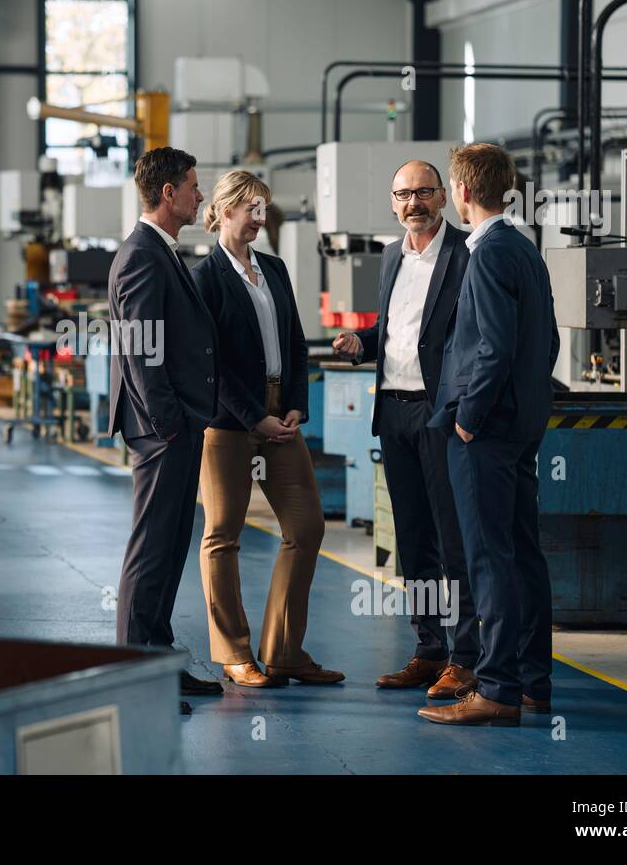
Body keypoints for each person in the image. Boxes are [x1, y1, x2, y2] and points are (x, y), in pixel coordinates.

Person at [419, 143, 560, 728]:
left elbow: (493, 348)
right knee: (521, 553)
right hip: (520, 426)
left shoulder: (490, 253)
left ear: (464, 192)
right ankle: (532, 681)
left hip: (486, 432)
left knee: (488, 559)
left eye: (451, 186)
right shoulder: (524, 250)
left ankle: (497, 688)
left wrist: (468, 417)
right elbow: (546, 343)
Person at [334, 160, 480, 701]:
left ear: (443, 196)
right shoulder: (391, 255)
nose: (413, 202)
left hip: (440, 416)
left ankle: (466, 657)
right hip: (393, 413)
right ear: (393, 203)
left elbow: (474, 336)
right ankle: (429, 650)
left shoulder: (466, 254)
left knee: (454, 539)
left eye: (423, 192)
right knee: (413, 542)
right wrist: (362, 344)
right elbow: (395, 331)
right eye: (403, 194)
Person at [190, 170, 342, 688]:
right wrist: (254, 415)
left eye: (263, 209)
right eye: (251, 209)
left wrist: (296, 403)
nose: (260, 219)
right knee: (222, 535)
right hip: (230, 422)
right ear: (225, 208)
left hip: (282, 412)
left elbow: (296, 343)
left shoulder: (273, 269)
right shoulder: (204, 279)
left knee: (306, 527)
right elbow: (209, 362)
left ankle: (282, 651)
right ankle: (233, 652)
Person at [107, 146, 224, 706]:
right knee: (151, 549)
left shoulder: (164, 251)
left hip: (174, 427)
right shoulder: (142, 256)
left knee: (173, 545)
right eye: (195, 187)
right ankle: (134, 678)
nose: (201, 196)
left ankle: (159, 661)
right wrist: (167, 424)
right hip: (162, 431)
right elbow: (138, 350)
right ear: (170, 192)